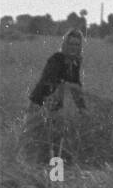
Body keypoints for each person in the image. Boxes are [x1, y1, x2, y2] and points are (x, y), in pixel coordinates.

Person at [23, 27, 87, 162]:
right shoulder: (56, 59)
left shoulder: (75, 63)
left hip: (54, 109)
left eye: (76, 44)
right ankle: (28, 174)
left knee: (52, 143)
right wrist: (71, 86)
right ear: (65, 44)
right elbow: (51, 81)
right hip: (39, 105)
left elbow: (76, 88)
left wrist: (82, 109)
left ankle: (50, 176)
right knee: (32, 142)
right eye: (71, 44)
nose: (73, 47)